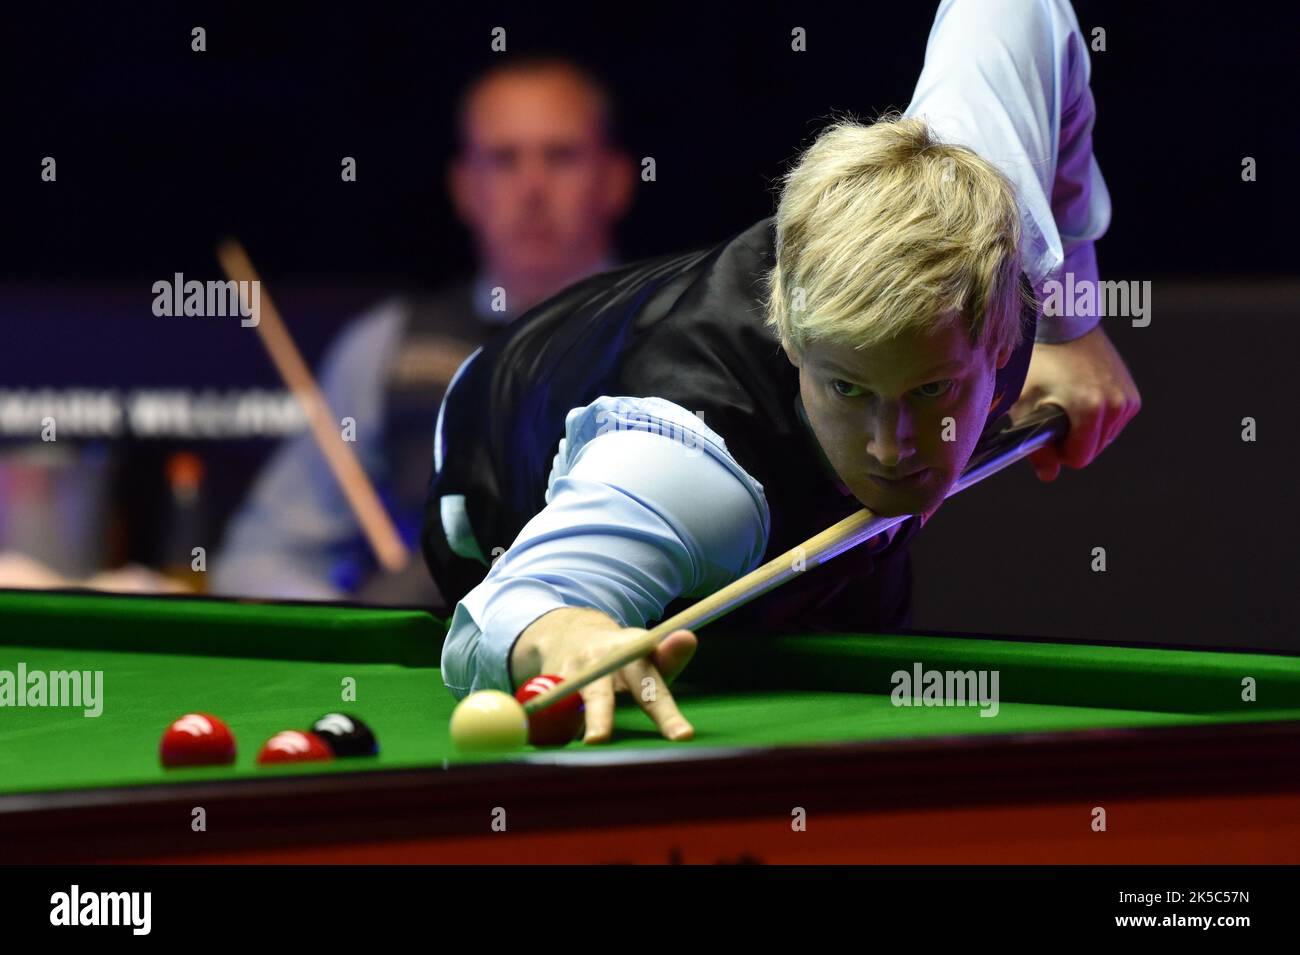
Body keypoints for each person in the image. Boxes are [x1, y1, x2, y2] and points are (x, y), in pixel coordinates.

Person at [424, 0, 1141, 743]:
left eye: (930, 390)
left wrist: (1070, 322)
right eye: (849, 388)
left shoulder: (987, 209)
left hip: (782, 473)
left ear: (998, 337)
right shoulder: (687, 470)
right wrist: (567, 630)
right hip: (495, 461)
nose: (891, 446)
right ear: (793, 340)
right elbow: (504, 612)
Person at [213, 57, 634, 604]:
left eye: (561, 156)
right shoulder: (386, 347)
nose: (532, 187)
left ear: (617, 180)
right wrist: (367, 633)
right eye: (504, 159)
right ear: (464, 187)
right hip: (427, 679)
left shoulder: (674, 333)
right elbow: (260, 560)